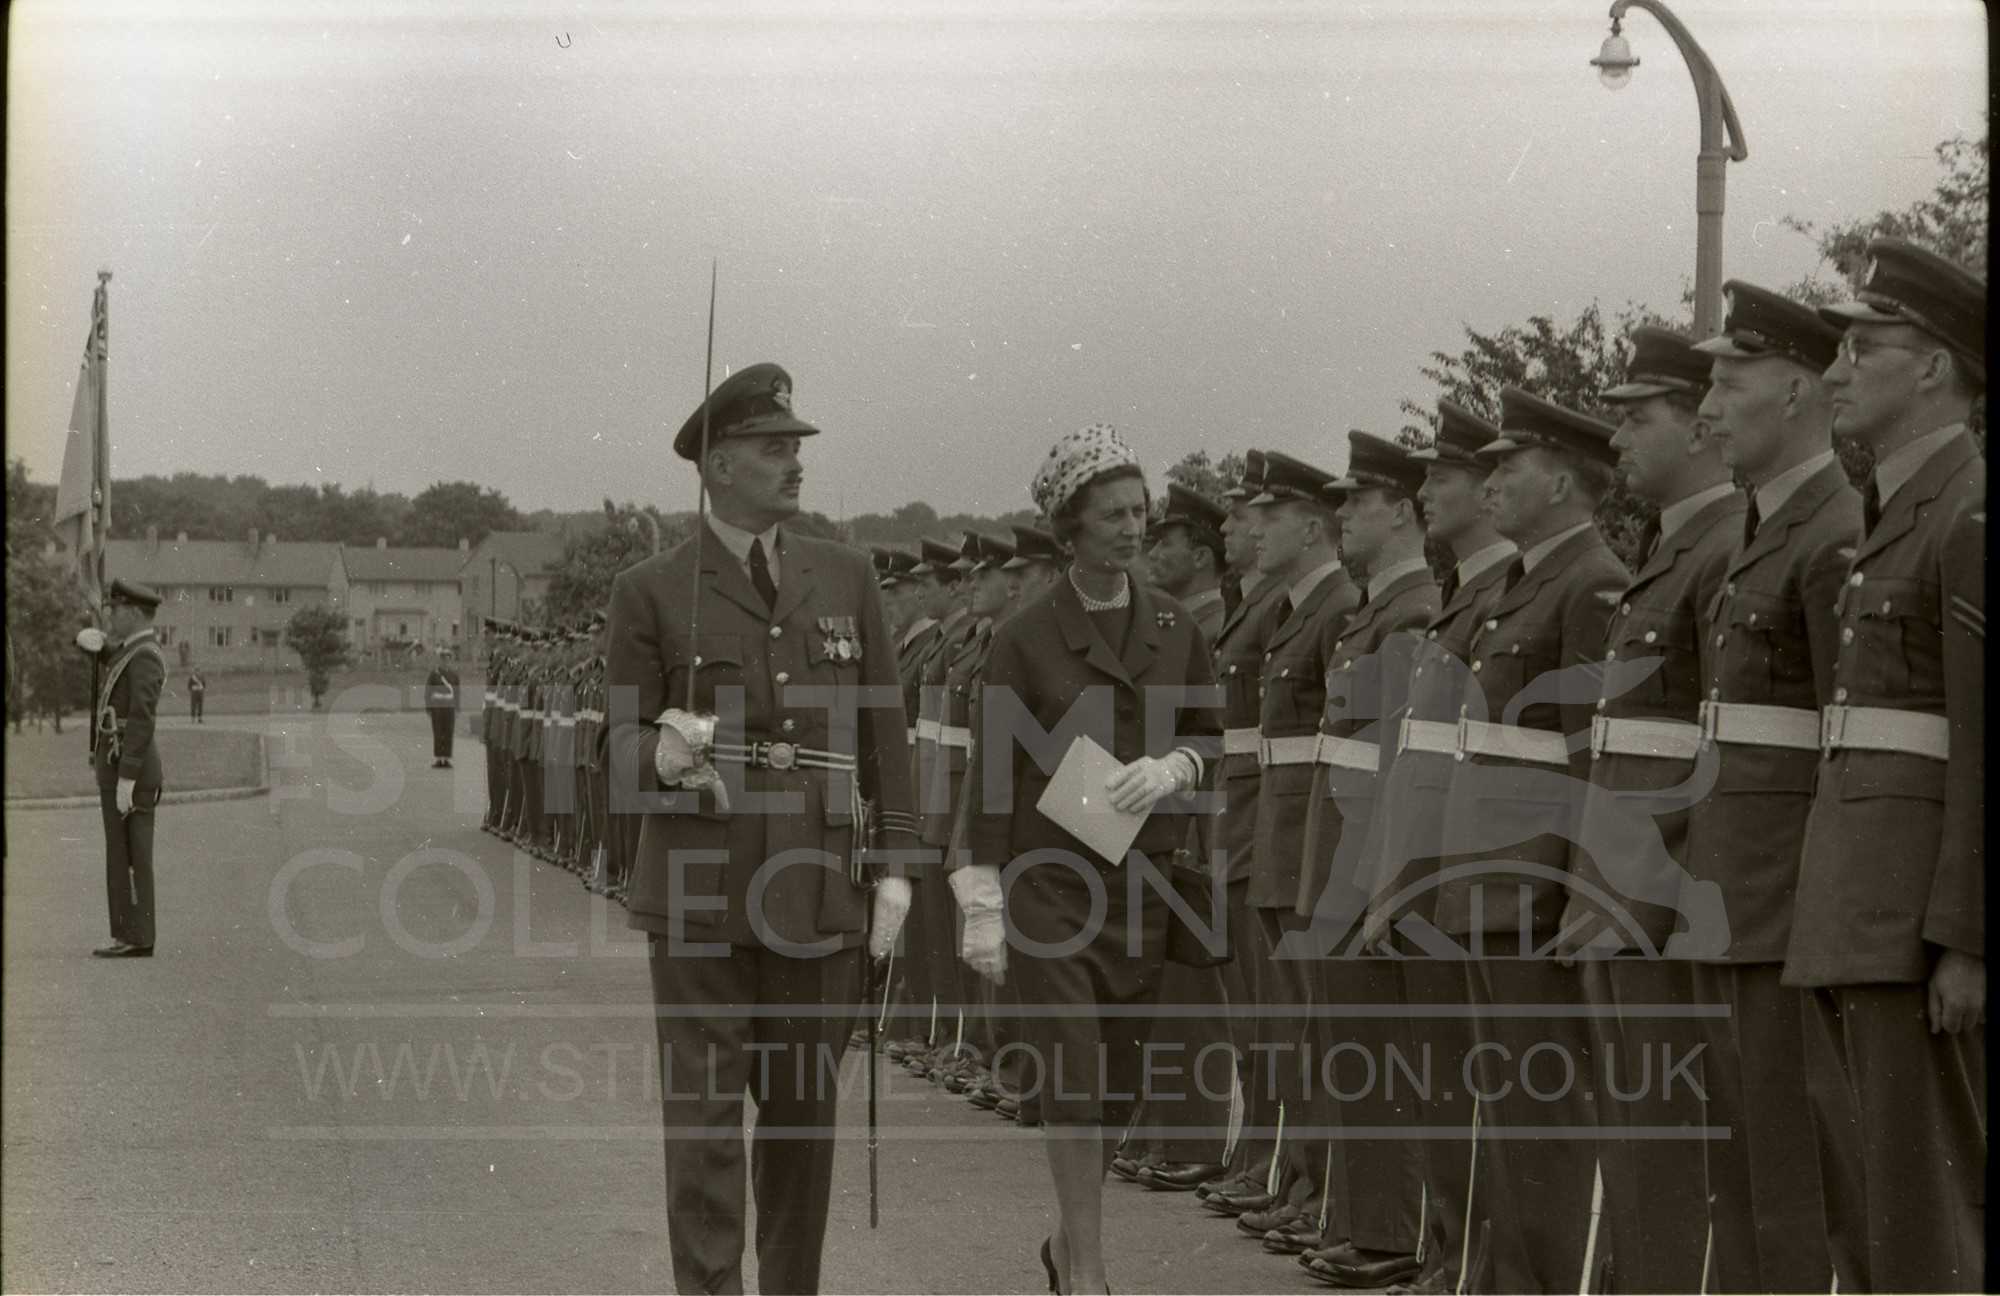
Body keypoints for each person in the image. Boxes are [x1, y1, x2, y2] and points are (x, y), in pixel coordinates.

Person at [604, 361, 917, 1296]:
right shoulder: (652, 588)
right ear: (716, 466)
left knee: (800, 1123)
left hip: (819, 891)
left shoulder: (846, 573)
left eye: (796, 446)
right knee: (702, 1130)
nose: (794, 463)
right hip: (699, 891)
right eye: (771, 447)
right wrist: (657, 755)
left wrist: (896, 865)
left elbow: (884, 732)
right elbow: (614, 737)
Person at [954, 422, 1221, 1296]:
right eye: (1112, 514)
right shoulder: (1027, 635)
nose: (1133, 528)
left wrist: (1178, 765)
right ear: (1070, 528)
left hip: (1143, 881)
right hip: (1050, 884)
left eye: (1141, 511)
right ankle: (1091, 1271)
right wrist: (981, 894)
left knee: (1120, 1076)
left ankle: (1067, 1241)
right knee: (1074, 1064)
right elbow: (993, 769)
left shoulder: (1178, 626)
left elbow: (1211, 734)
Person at [1784, 239, 1985, 1294]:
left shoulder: (1963, 513)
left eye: (1864, 347)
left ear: (1934, 366)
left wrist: (1965, 939)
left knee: (1926, 1202)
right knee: (1872, 1189)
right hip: (1857, 911)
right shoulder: (1890, 513)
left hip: (1912, 926)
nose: (1834, 371)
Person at [1562, 325, 1742, 1295]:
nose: (1617, 438)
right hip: (1614, 886)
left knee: (1672, 1138)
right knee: (1631, 1132)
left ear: (1700, 429)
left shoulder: (1720, 549)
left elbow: (1717, 760)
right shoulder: (1669, 547)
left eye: (1639, 418)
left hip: (1658, 898)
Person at [1437, 387, 1629, 1293]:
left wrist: (1572, 888)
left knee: (1541, 1112)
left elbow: (1597, 758)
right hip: (1487, 878)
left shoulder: (1592, 581)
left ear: (1560, 479)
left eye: (1508, 467)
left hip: (1533, 892)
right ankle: (1505, 1276)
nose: (1492, 483)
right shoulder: (1526, 579)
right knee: (1507, 1105)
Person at [1686, 280, 1853, 1293]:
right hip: (1728, 895)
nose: (1707, 407)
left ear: (1793, 391)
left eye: (1726, 381)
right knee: (1743, 1157)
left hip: (1785, 906)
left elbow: (1843, 748)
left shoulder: (1831, 534)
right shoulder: (1758, 533)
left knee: (1801, 1163)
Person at [1356, 400, 1517, 1296]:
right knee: (1446, 1084)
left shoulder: (1485, 598)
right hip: (1432, 875)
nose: (1428, 494)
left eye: (1442, 478)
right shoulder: (1466, 601)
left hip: (1473, 878)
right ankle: (1456, 1256)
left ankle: (1474, 1260)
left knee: (1477, 1088)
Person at [1290, 431, 1439, 1290]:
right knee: (1350, 1044)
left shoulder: (1413, 609)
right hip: (1342, 850)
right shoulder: (1378, 610)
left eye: (1358, 501)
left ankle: (1389, 1228)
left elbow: (1396, 765)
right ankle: (1365, 1219)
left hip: (1368, 855)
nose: (1342, 514)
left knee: (1376, 1048)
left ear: (1404, 512)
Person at [1238, 450, 1362, 1255]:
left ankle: (1316, 1184)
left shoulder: (1334, 607)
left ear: (1311, 526)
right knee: (1290, 1020)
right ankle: (1300, 1176)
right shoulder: (1296, 609)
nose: (1253, 528)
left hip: (1313, 832)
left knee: (1314, 1021)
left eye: (1270, 515)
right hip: (1279, 827)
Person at [74, 578, 167, 958]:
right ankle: (129, 933)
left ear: (132, 613)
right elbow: (110, 656)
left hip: (131, 767)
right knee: (121, 851)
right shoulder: (132, 650)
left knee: (133, 854)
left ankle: (138, 936)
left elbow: (142, 719)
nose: (110, 617)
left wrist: (127, 776)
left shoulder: (144, 654)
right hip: (117, 764)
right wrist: (89, 644)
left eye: (115, 611)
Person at [424, 650, 460, 768]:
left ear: (450, 660)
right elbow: (428, 691)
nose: (446, 661)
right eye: (443, 659)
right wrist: (429, 707)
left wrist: (457, 707)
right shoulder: (434, 674)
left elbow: (457, 692)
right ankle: (439, 758)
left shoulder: (454, 675)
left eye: (448, 659)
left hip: (449, 706)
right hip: (437, 706)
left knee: (448, 731)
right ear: (440, 660)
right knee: (438, 731)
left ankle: (447, 758)